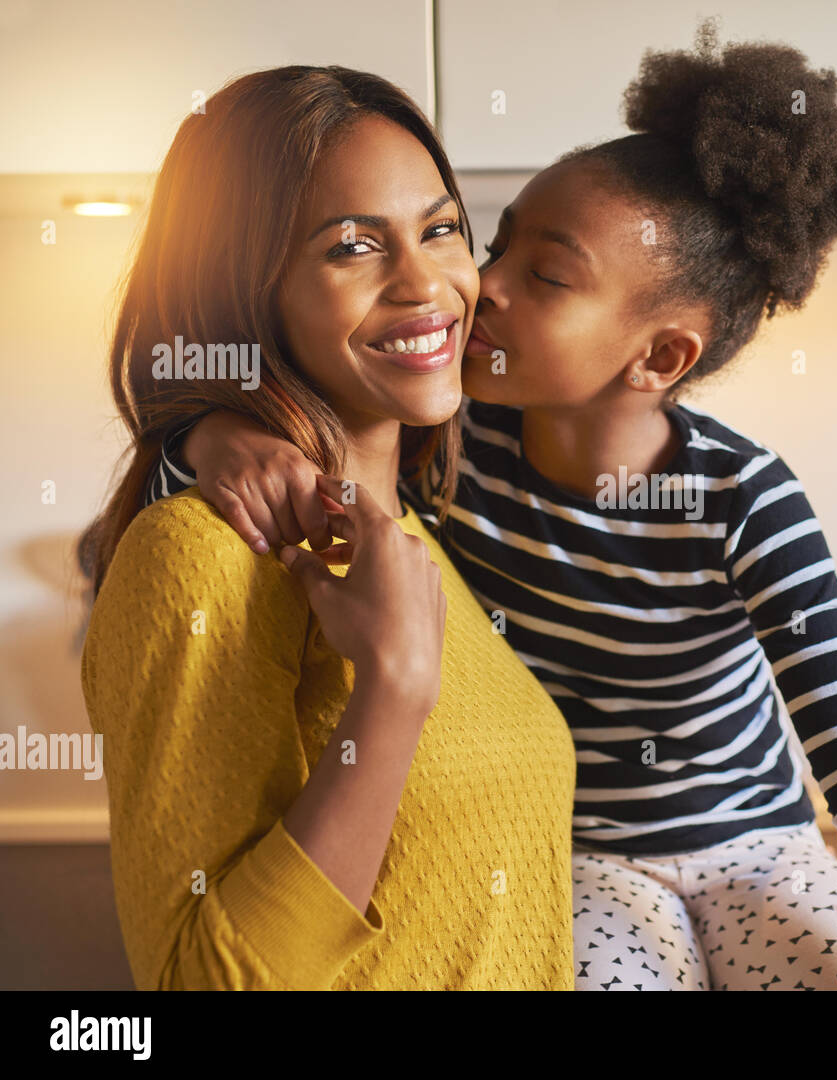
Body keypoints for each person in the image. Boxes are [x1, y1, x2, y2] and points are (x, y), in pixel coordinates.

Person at [147, 27, 837, 990]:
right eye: (496, 245)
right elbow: (193, 521)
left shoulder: (743, 500)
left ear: (659, 357)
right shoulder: (443, 445)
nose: (479, 286)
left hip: (761, 845)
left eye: (546, 276)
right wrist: (206, 440)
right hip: (580, 862)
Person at [77, 65, 576, 990]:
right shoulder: (199, 558)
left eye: (440, 229)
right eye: (353, 247)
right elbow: (198, 981)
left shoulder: (423, 536)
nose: (426, 284)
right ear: (243, 287)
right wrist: (392, 690)